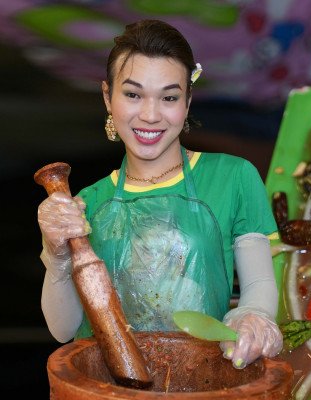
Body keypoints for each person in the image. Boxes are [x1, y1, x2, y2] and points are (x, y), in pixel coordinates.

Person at [36, 19, 282, 369]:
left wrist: (254, 315)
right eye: (133, 95)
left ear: (188, 101)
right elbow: (62, 329)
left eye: (169, 97)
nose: (150, 115)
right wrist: (57, 254)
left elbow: (258, 283)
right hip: (107, 388)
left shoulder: (233, 177)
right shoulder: (85, 205)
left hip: (202, 382)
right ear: (107, 97)